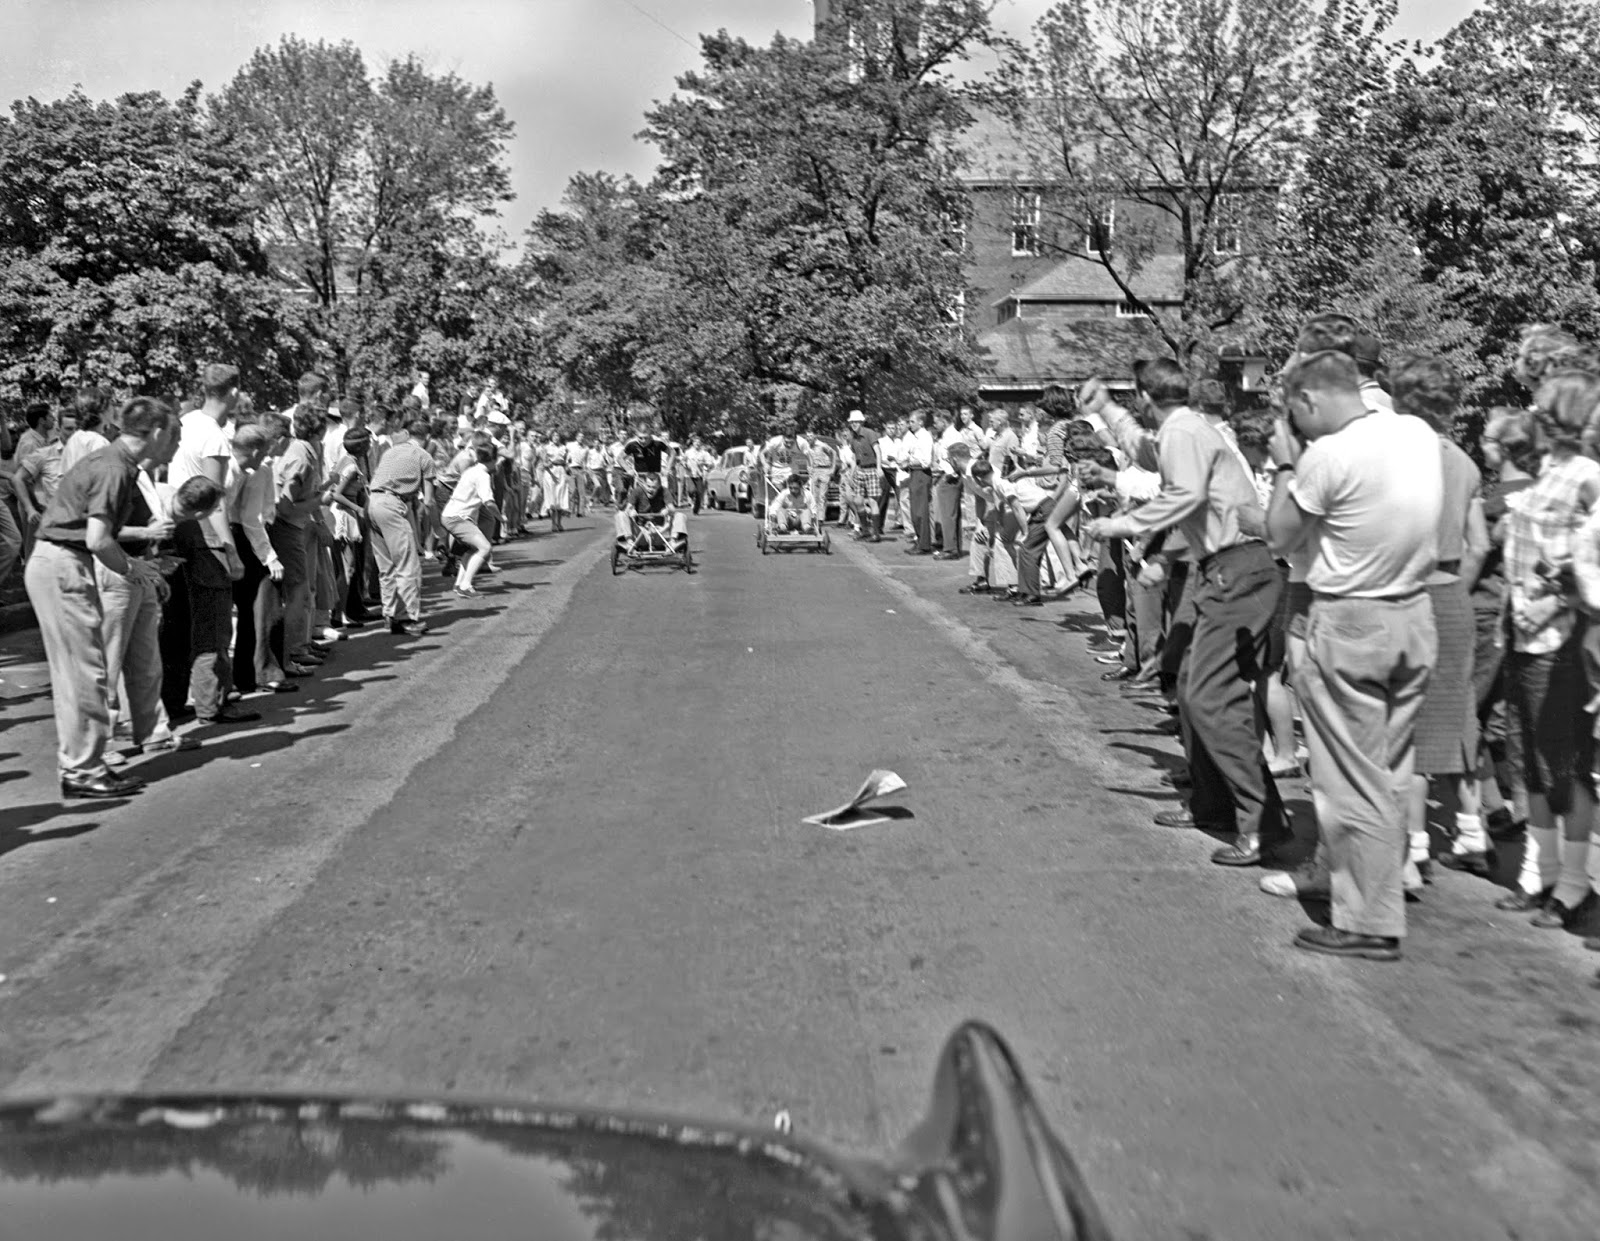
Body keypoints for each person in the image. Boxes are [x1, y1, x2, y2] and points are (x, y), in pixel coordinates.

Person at [1264, 348, 1442, 960]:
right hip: (1414, 613)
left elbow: (1279, 535)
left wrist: (1287, 466)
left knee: (1349, 780)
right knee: (1389, 770)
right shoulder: (1416, 431)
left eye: (1295, 409)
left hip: (1352, 617)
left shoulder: (1327, 455)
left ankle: (1369, 920)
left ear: (1310, 399)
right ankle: (1386, 890)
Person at [1083, 359, 1288, 868]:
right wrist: (1107, 408)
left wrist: (1122, 525)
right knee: (1193, 686)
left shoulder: (1184, 432)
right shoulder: (1182, 429)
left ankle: (1262, 822)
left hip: (1238, 569)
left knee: (1211, 696)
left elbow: (1184, 495)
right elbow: (1146, 456)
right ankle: (1214, 803)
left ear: (1147, 398)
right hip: (1224, 569)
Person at [24, 396, 176, 799]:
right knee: (85, 672)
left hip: (61, 562)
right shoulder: (115, 468)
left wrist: (133, 550)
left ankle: (81, 764)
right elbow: (97, 538)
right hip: (62, 565)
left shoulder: (113, 461)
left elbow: (93, 527)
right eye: (171, 434)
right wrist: (132, 568)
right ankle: (83, 770)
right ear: (157, 432)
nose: (173, 443)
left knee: (78, 673)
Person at [171, 475, 259, 728]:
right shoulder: (214, 449)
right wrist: (231, 551)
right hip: (208, 549)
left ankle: (192, 702)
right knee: (214, 634)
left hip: (192, 545)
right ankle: (211, 705)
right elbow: (217, 512)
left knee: (195, 632)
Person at [366, 416, 436, 636]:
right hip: (393, 505)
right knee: (408, 564)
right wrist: (432, 531)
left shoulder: (391, 451)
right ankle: (406, 617)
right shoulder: (424, 456)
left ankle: (390, 613)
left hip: (373, 502)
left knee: (386, 566)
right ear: (427, 437)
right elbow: (428, 500)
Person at [441, 433, 500, 597]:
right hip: (457, 518)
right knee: (485, 548)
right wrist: (501, 517)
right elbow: (488, 502)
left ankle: (460, 584)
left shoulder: (472, 470)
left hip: (452, 515)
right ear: (493, 459)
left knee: (470, 549)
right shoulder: (483, 475)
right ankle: (466, 585)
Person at [616, 470, 689, 547]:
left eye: (654, 487)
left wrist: (667, 510)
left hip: (660, 531)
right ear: (644, 484)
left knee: (679, 515)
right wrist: (631, 511)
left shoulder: (664, 491)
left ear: (659, 486)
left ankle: (673, 541)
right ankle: (629, 542)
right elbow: (628, 509)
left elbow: (672, 509)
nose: (650, 489)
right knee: (621, 514)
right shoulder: (637, 491)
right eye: (648, 486)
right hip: (641, 531)